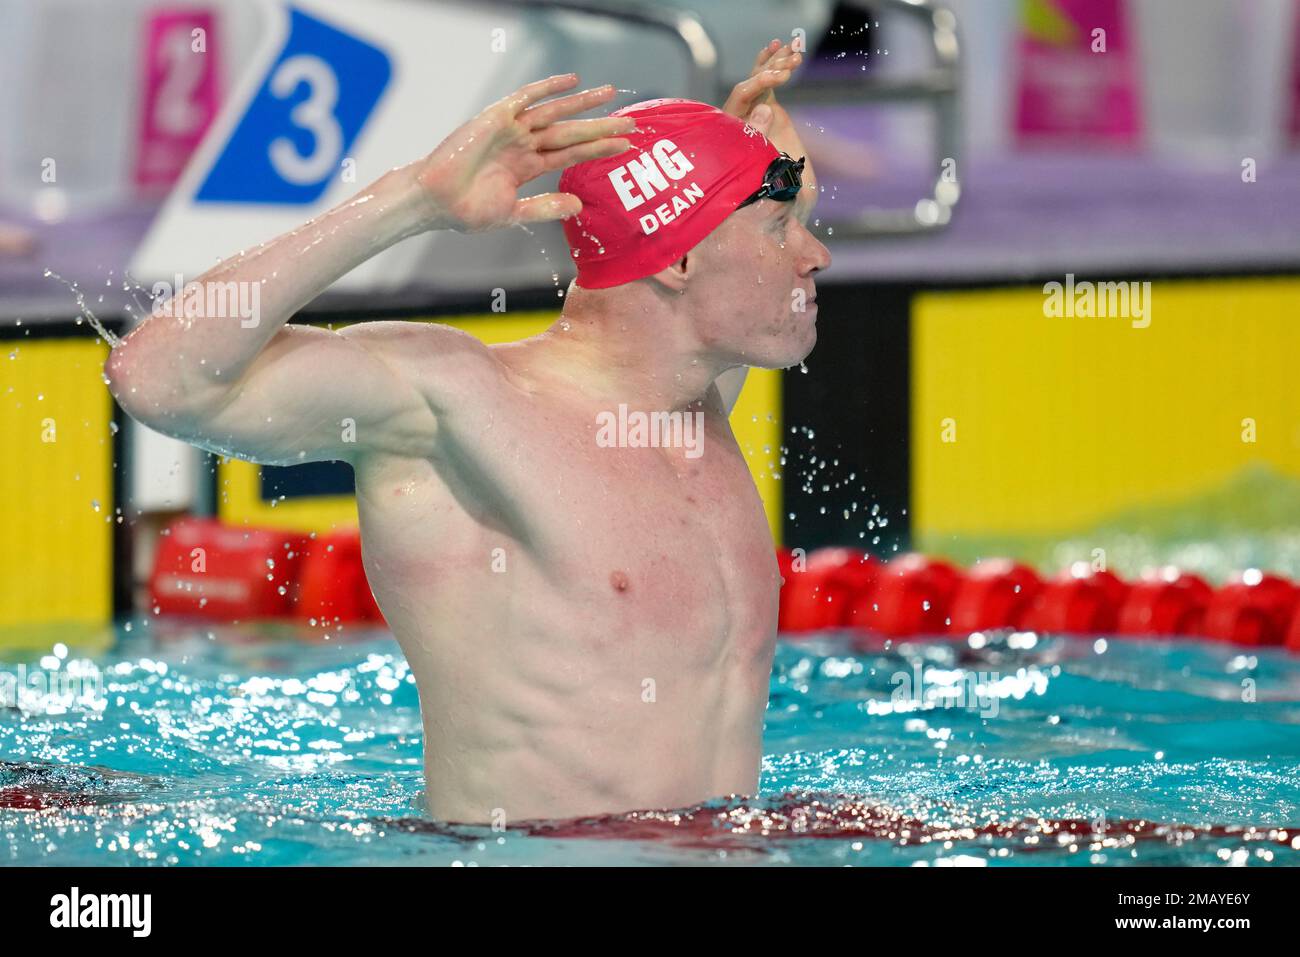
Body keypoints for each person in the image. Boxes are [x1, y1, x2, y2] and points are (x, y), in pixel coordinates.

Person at [105, 41, 830, 825]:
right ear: (682, 261)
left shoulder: (697, 387)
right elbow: (157, 380)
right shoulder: (455, 403)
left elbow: (703, 236)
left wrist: (733, 163)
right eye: (782, 228)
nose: (815, 256)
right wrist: (412, 201)